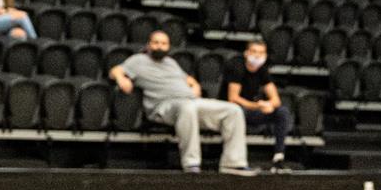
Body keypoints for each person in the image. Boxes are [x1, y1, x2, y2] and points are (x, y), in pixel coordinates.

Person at [111, 30, 254, 175]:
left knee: (233, 110)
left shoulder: (171, 62)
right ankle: (191, 163)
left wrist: (195, 85)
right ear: (148, 45)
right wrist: (121, 78)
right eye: (156, 42)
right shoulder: (138, 60)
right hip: (164, 106)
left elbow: (187, 79)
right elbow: (115, 70)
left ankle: (233, 163)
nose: (160, 46)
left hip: (190, 101)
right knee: (188, 108)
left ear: (168, 46)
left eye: (164, 43)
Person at [226, 39, 293, 171]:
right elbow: (233, 98)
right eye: (254, 51)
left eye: (261, 52)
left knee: (282, 112)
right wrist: (257, 106)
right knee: (238, 111)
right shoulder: (238, 67)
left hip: (251, 110)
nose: (257, 56)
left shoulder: (262, 70)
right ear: (246, 53)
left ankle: (279, 157)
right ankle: (237, 160)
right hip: (231, 111)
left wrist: (267, 104)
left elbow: (276, 100)